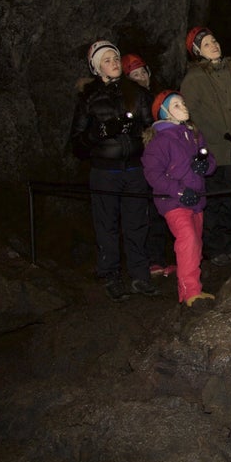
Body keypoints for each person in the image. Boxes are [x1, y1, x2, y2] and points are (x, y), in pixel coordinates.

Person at [69, 40, 158, 300]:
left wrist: (142, 134)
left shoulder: (137, 93)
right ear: (97, 68)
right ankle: (110, 275)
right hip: (104, 172)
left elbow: (152, 127)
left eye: (115, 58)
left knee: (136, 223)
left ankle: (140, 275)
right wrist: (100, 133)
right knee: (106, 225)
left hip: (134, 169)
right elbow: (77, 144)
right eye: (106, 60)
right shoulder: (88, 98)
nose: (114, 63)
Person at [179, 27, 231, 267]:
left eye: (215, 40)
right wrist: (219, 135)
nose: (214, 45)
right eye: (208, 43)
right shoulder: (193, 79)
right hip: (212, 150)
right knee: (212, 201)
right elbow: (193, 115)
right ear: (198, 51)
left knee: (230, 199)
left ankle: (230, 243)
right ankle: (214, 246)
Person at [141, 90, 217, 307]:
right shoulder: (161, 141)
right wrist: (180, 191)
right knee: (188, 240)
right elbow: (153, 173)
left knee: (196, 244)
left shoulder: (193, 134)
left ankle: (191, 291)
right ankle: (190, 292)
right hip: (173, 201)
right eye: (176, 105)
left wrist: (206, 165)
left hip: (196, 200)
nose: (183, 106)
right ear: (164, 113)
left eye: (183, 102)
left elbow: (209, 159)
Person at [122, 52, 170, 277]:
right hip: (142, 163)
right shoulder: (129, 103)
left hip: (163, 161)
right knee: (147, 212)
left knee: (162, 209)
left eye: (143, 72)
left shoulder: (158, 98)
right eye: (134, 75)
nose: (141, 78)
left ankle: (161, 257)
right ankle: (151, 260)